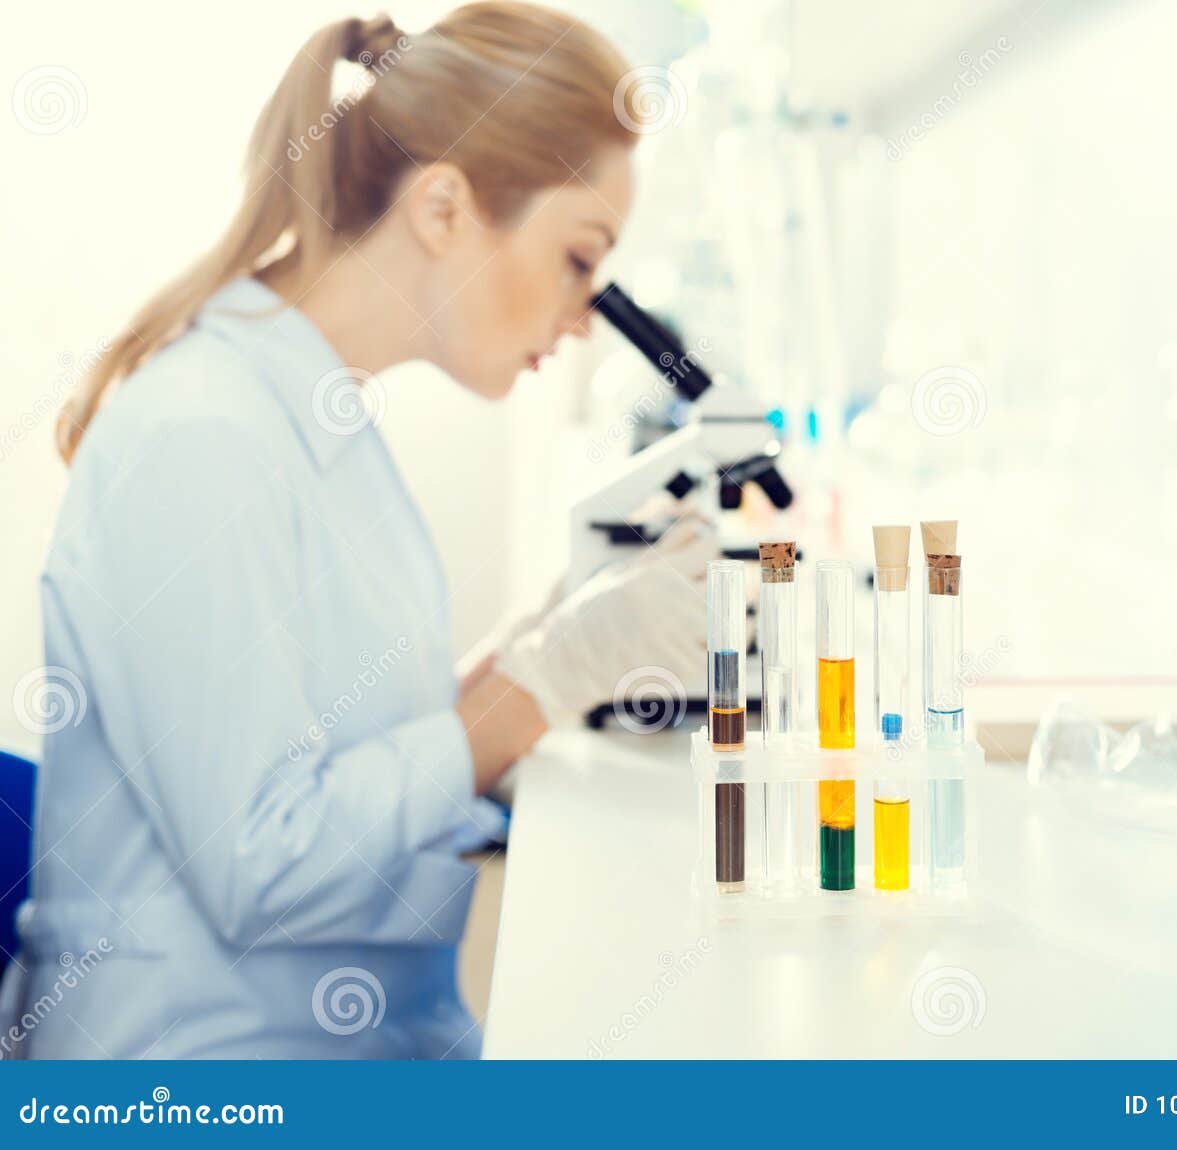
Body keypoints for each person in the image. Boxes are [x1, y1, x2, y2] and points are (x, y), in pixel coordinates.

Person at [0, 3, 707, 1059]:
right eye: (577, 258)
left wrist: (553, 635)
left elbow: (357, 743)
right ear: (442, 208)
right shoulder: (202, 434)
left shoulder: (324, 422)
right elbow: (263, 860)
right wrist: (543, 682)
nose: (581, 316)